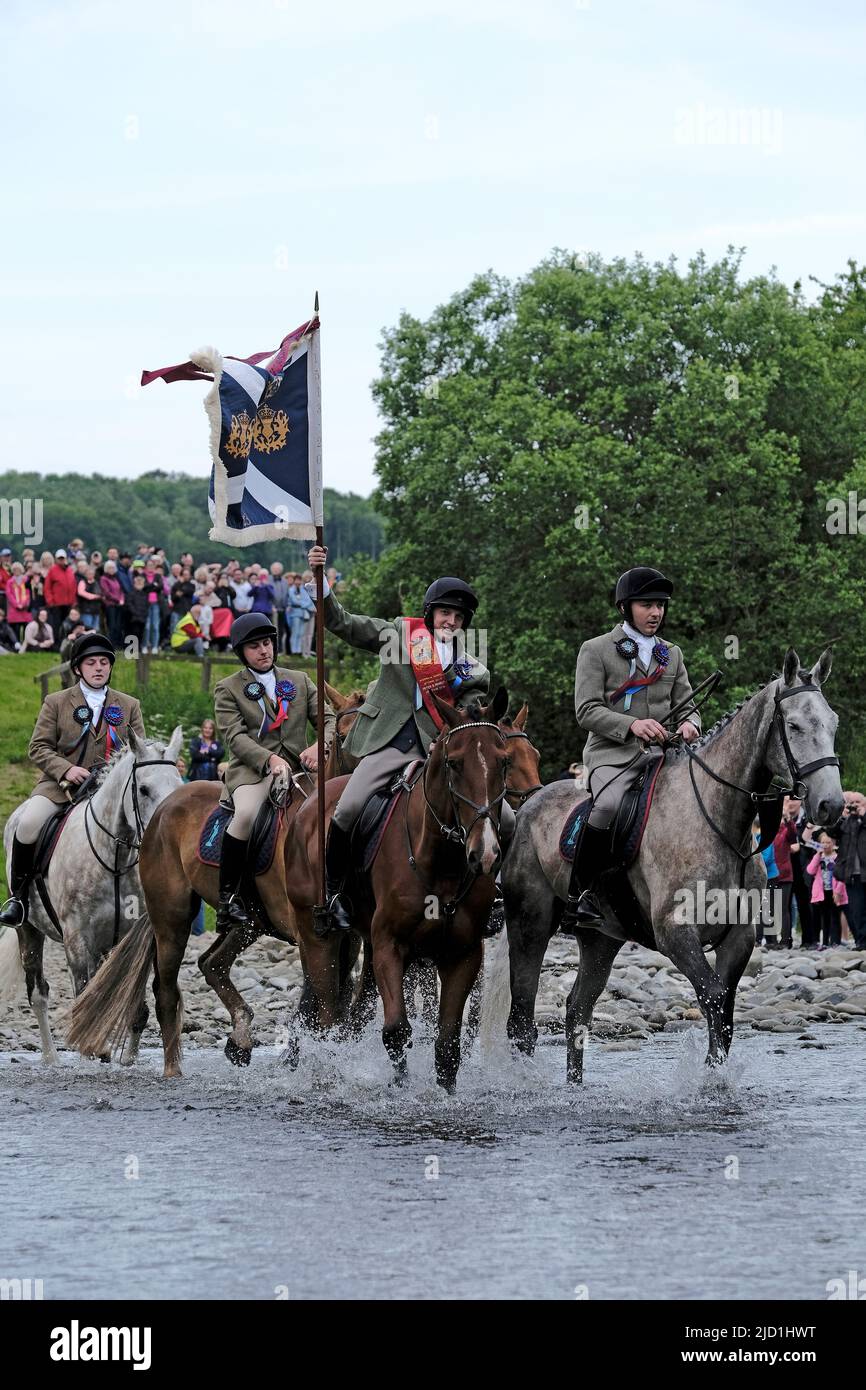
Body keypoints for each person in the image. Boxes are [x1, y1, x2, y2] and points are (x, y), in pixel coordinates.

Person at [306, 543, 500, 933]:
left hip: (438, 755)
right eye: (445, 612)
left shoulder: (473, 670)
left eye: (458, 616)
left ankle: (493, 895)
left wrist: (447, 744)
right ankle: (335, 893)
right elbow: (344, 624)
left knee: (505, 816)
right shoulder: (401, 634)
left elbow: (468, 718)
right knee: (347, 808)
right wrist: (321, 583)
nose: (451, 621)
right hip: (388, 745)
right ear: (431, 614)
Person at [561, 566, 701, 931]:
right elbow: (586, 710)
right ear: (626, 607)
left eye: (660, 606)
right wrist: (632, 725)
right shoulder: (596, 650)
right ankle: (582, 893)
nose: (656, 613)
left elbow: (687, 704)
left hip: (665, 756)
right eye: (647, 605)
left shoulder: (672, 653)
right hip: (613, 755)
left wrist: (690, 723)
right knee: (607, 804)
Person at [0, 632, 145, 926]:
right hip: (60, 788)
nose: (99, 668)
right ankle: (20, 898)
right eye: (91, 662)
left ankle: (150, 901)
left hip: (110, 793)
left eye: (104, 662)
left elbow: (138, 751)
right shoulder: (56, 702)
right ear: (78, 668)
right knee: (27, 825)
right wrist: (66, 769)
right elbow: (38, 747)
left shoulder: (128, 705)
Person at [212, 613, 335, 932]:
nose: (264, 650)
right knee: (247, 815)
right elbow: (234, 737)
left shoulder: (299, 680)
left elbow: (330, 720)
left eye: (267, 643)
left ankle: (339, 893)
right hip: (254, 773)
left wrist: (319, 746)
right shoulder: (228, 688)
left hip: (300, 770)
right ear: (242, 652)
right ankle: (229, 899)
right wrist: (269, 760)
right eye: (254, 646)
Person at [835, 792, 866, 950]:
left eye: (857, 802)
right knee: (856, 910)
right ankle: (861, 941)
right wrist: (842, 816)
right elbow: (833, 833)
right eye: (851, 802)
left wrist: (863, 815)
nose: (854, 805)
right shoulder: (846, 822)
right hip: (852, 874)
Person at [807, 832, 847, 949]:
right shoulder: (819, 857)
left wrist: (838, 891)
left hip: (834, 892)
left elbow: (841, 876)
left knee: (835, 916)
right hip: (823, 892)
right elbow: (810, 870)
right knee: (824, 917)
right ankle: (824, 942)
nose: (825, 845)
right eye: (823, 842)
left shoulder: (837, 857)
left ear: (833, 843)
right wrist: (817, 856)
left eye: (828, 842)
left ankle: (835, 941)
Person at [44, 549, 78, 642]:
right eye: (59, 558)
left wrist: (74, 600)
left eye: (63, 558)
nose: (61, 560)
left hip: (69, 603)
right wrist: (50, 601)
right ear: (56, 559)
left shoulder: (69, 570)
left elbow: (73, 586)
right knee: (57, 625)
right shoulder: (52, 570)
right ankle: (57, 643)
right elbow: (47, 588)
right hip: (56, 604)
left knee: (68, 624)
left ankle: (67, 642)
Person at [286, 572, 315, 653]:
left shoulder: (303, 589)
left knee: (301, 633)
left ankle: (298, 651)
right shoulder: (291, 590)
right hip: (295, 613)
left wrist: (302, 603)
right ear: (294, 581)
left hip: (302, 613)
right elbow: (294, 601)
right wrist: (304, 604)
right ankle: (293, 651)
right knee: (295, 632)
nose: (298, 582)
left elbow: (308, 600)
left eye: (299, 580)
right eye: (296, 580)